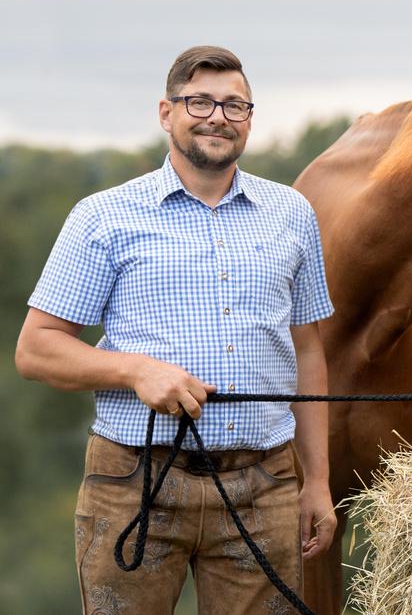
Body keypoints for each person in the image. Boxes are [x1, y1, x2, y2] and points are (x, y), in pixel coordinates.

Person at [14, 45, 337, 613]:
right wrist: (135, 370)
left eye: (235, 105)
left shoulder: (293, 213)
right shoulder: (104, 216)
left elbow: (308, 352)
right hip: (135, 482)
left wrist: (317, 482)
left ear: (250, 119)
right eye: (200, 101)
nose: (218, 116)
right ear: (166, 112)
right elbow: (36, 350)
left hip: (265, 485)